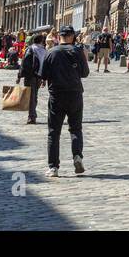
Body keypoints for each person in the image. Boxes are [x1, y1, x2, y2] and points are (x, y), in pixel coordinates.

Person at [40, 26, 89, 177]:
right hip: (74, 93)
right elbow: (85, 73)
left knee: (54, 132)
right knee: (75, 128)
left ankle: (53, 167)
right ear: (72, 36)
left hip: (56, 95)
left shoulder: (50, 52)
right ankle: (77, 156)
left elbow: (43, 74)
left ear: (59, 36)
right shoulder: (77, 51)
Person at [20, 33, 48, 125]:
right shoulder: (44, 50)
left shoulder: (30, 49)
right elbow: (45, 65)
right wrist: (44, 78)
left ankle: (32, 116)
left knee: (31, 96)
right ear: (41, 41)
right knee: (34, 96)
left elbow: (24, 63)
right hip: (39, 76)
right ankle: (32, 115)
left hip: (31, 76)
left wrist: (19, 75)